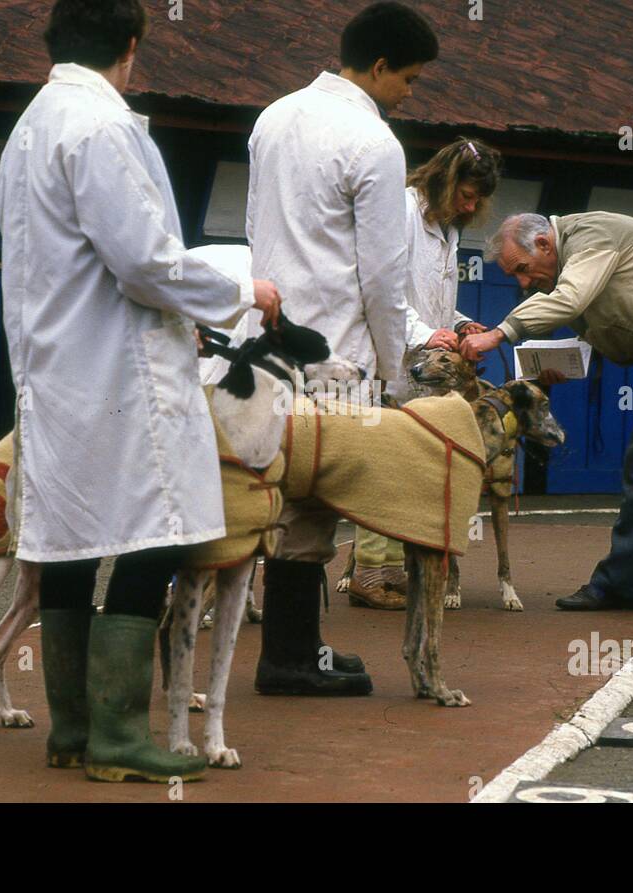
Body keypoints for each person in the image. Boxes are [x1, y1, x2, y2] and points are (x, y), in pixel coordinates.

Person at [0, 0, 280, 782]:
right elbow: (144, 260)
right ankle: (120, 734)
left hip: (56, 364)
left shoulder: (31, 127)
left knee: (68, 540)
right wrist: (241, 288)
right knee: (159, 530)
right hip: (118, 364)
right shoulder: (104, 126)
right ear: (130, 47)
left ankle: (73, 729)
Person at [245, 1, 438, 693]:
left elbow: (253, 230)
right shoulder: (376, 143)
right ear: (380, 66)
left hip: (266, 343)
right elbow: (385, 277)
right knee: (316, 504)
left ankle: (296, 648)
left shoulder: (274, 117)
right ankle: (292, 657)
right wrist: (399, 373)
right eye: (409, 80)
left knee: (263, 489)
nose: (408, 93)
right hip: (340, 356)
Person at [461, 211, 633, 613]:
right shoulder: (573, 255)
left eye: (524, 270)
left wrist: (499, 333)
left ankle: (617, 584)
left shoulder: (592, 234)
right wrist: (567, 364)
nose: (524, 283)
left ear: (545, 244)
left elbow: (570, 300)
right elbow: (603, 318)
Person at [349, 137, 503, 611]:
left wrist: (457, 324)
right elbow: (382, 287)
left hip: (421, 363)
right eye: (466, 194)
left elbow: (433, 300)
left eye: (477, 199)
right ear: (445, 180)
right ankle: (369, 572)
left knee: (409, 465)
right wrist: (425, 333)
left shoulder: (446, 229)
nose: (471, 205)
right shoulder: (400, 210)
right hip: (389, 354)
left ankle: (390, 569)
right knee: (382, 465)